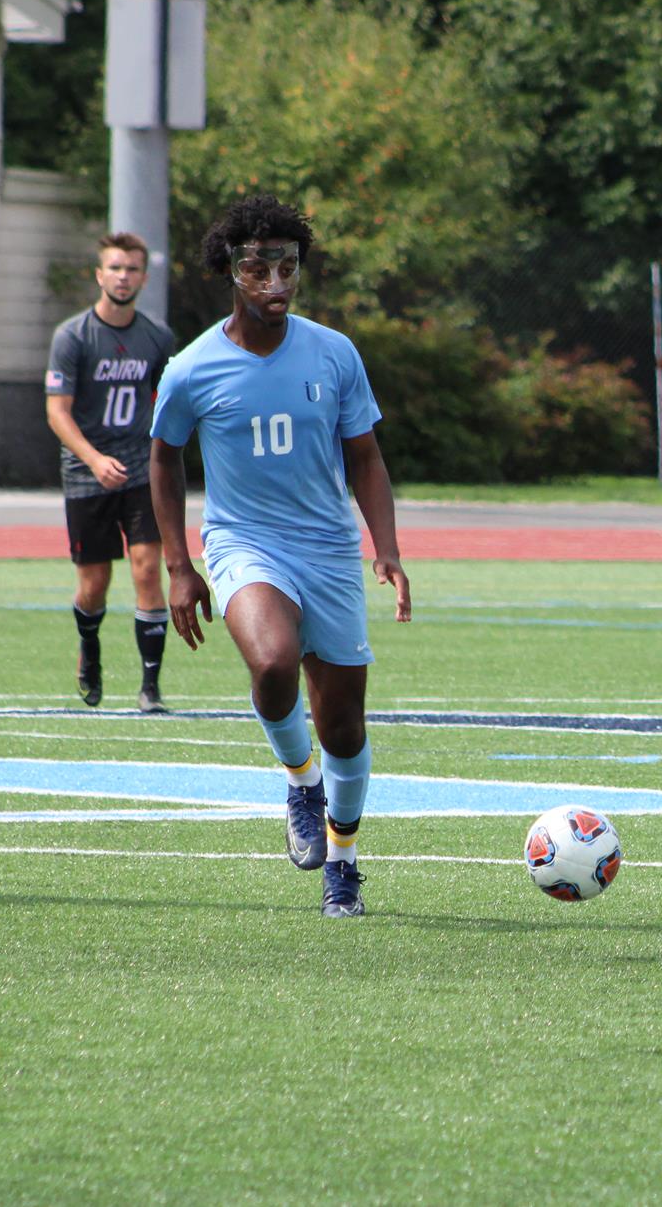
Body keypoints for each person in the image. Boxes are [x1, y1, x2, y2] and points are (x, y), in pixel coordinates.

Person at [148, 195, 409, 918]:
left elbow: (365, 457)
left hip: (328, 549)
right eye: (258, 268)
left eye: (287, 267)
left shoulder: (334, 353)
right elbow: (163, 459)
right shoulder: (192, 367)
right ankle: (300, 780)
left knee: (344, 726)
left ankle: (343, 864)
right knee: (271, 662)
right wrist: (179, 565)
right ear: (230, 272)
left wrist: (386, 549)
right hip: (244, 543)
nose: (275, 282)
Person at [45, 232, 178, 713]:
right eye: (116, 268)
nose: (124, 277)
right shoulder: (73, 336)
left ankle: (150, 686)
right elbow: (57, 412)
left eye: (132, 269)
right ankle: (90, 649)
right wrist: (94, 459)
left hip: (140, 470)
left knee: (148, 569)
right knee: (94, 584)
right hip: (88, 473)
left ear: (144, 277)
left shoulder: (157, 337)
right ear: (100, 275)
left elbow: (169, 401)